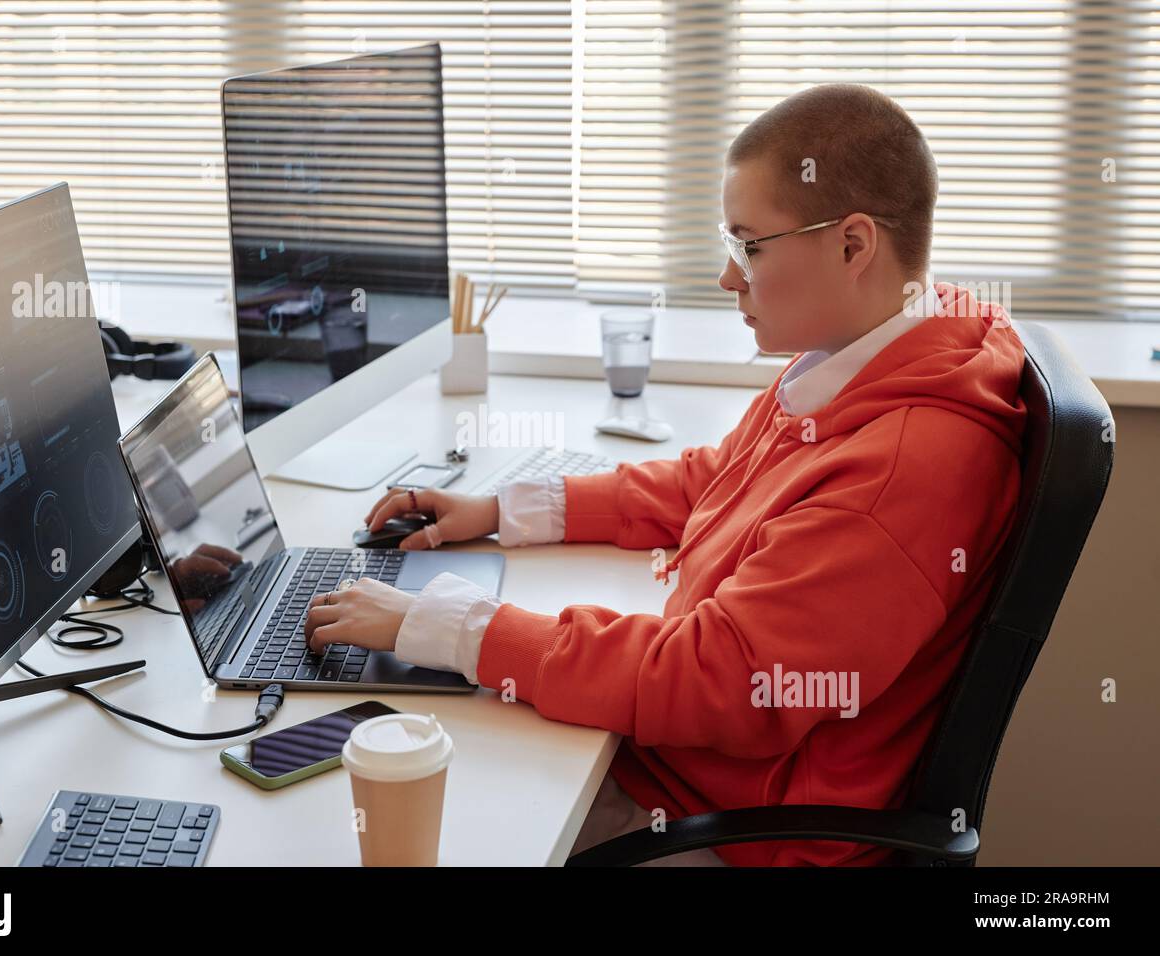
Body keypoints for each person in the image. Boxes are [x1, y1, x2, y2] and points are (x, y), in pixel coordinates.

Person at [303, 83, 1027, 866]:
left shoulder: (901, 470)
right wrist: (503, 510)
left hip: (733, 827)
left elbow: (718, 682)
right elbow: (715, 483)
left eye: (751, 246)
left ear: (854, 246)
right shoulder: (881, 352)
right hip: (688, 775)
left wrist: (447, 625)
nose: (727, 276)